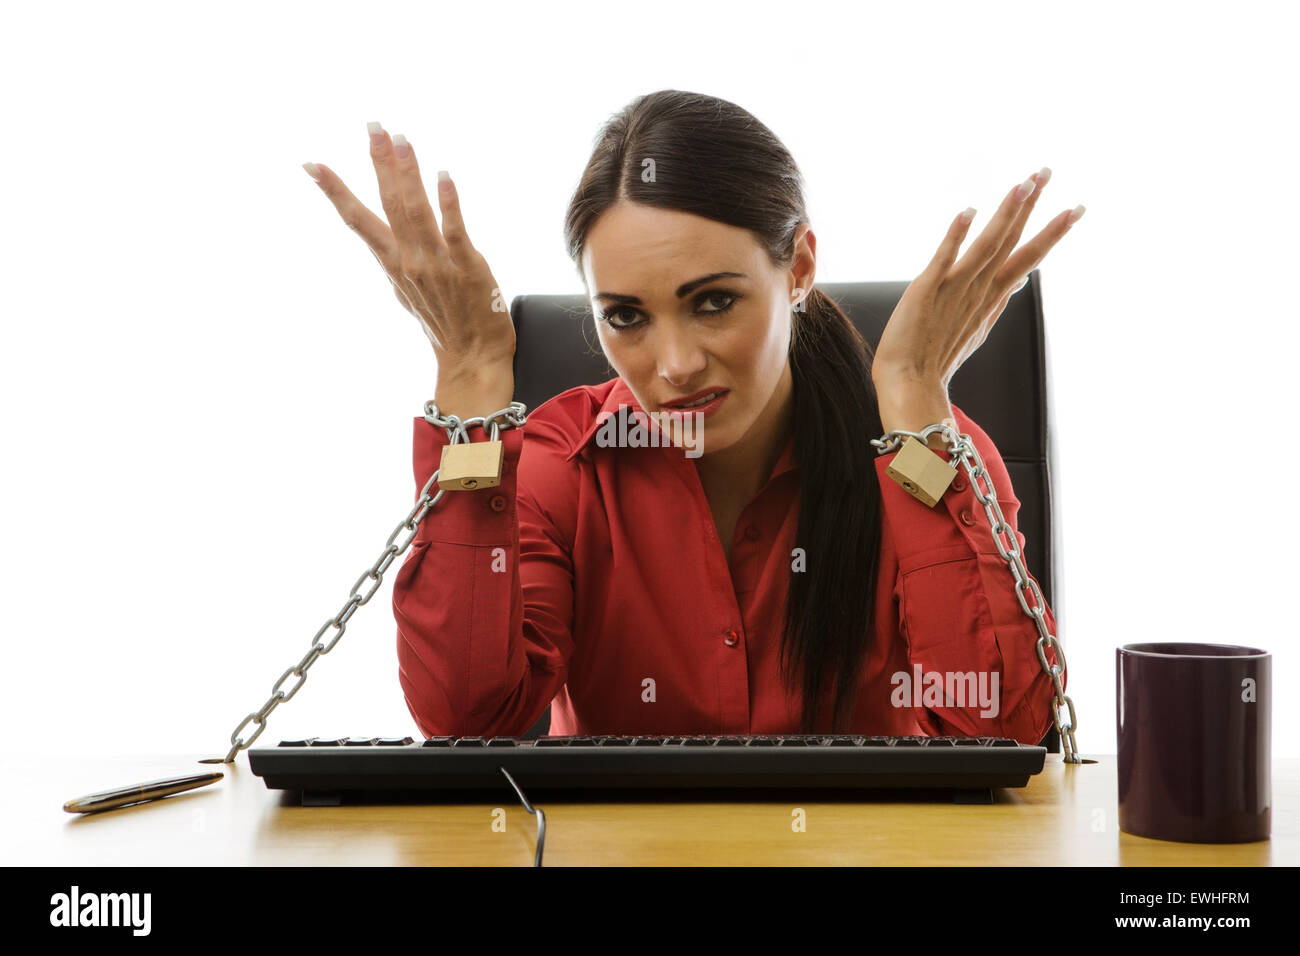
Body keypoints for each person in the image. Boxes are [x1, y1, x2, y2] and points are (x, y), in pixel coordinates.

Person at [303, 90, 1083, 742]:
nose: (673, 366)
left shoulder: (926, 453)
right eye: (627, 317)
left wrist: (913, 389)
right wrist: (471, 381)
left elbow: (1001, 729)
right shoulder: (560, 465)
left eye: (713, 302)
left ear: (799, 268)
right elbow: (466, 721)